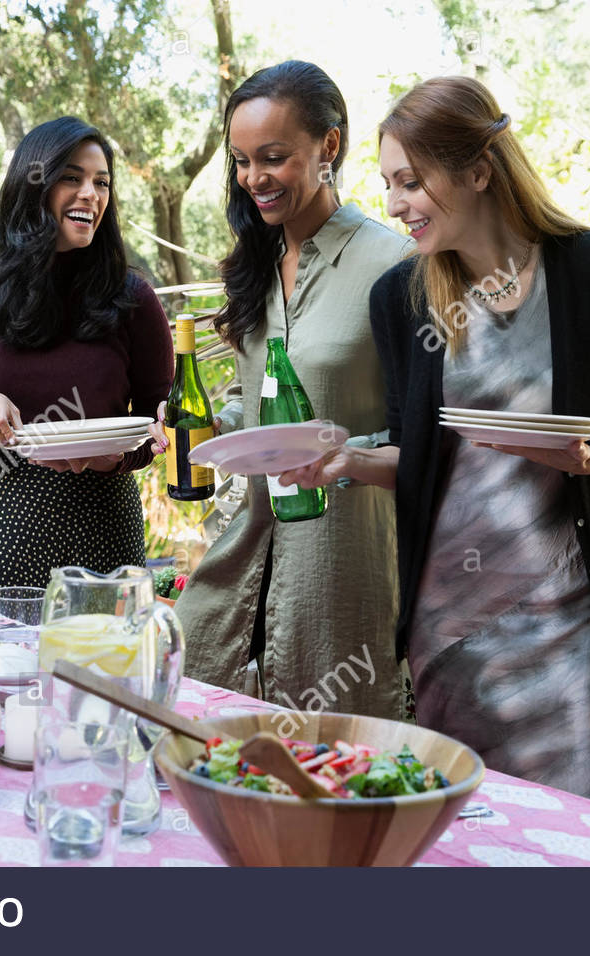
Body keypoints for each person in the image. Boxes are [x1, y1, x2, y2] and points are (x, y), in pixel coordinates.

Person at [279, 76, 590, 806]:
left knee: (576, 848)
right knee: (465, 845)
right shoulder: (402, 299)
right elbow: (419, 455)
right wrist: (346, 460)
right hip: (451, 634)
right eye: (387, 185)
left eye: (411, 182)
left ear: (478, 169)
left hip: (573, 630)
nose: (394, 205)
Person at [151, 61, 408, 717]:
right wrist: (204, 430)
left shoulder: (395, 265)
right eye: (240, 161)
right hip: (254, 542)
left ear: (329, 146)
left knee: (339, 754)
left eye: (272, 157)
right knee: (187, 699)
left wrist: (350, 455)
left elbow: (430, 435)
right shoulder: (254, 270)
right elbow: (253, 402)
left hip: (348, 562)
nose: (253, 179)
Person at [0, 116, 173, 612]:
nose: (91, 193)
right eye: (72, 177)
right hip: (7, 520)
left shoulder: (134, 298)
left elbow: (164, 423)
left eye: (101, 182)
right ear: (35, 183)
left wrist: (116, 458)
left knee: (107, 676)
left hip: (105, 520)